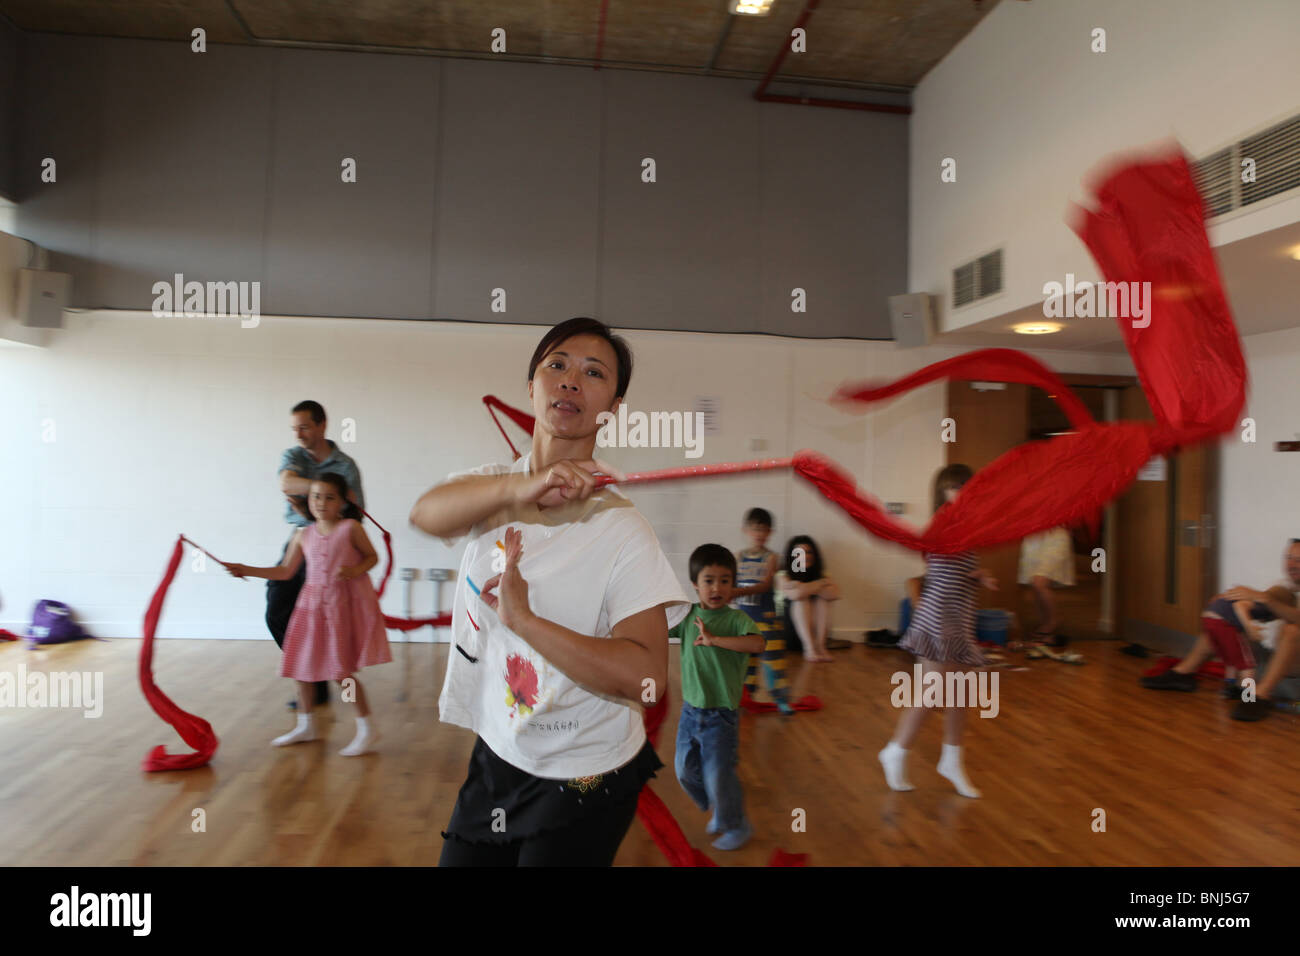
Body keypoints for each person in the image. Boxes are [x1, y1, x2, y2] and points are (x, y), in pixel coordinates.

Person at [409, 317, 690, 867]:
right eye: (556, 365)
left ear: (613, 407)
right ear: (531, 387)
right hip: (500, 751)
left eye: (593, 373)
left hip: (585, 773)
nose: (569, 381)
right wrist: (522, 487)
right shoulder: (492, 486)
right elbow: (427, 514)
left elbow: (647, 677)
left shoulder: (622, 530)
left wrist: (526, 621)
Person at [225, 473, 391, 756]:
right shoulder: (303, 534)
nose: (321, 503)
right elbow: (286, 571)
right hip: (309, 608)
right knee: (301, 667)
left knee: (341, 672)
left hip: (339, 609)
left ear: (343, 501)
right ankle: (306, 724)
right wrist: (247, 569)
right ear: (308, 500)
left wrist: (353, 571)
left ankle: (367, 727)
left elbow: (372, 557)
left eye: (329, 497)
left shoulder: (350, 528)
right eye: (316, 496)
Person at [879, 464, 997, 799]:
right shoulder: (942, 527)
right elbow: (936, 564)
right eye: (955, 488)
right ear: (943, 493)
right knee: (933, 693)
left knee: (960, 694)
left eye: (967, 488)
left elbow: (961, 569)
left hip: (959, 617)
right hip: (938, 617)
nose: (962, 494)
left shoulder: (965, 528)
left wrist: (981, 576)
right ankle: (895, 751)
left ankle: (952, 760)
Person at [269, 400, 366, 708]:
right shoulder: (293, 456)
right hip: (301, 540)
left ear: (322, 425)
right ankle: (312, 676)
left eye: (305, 427)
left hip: (334, 547)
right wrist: (326, 491)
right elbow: (285, 482)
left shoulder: (345, 465)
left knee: (330, 623)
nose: (298, 434)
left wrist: (308, 497)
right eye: (294, 428)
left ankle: (329, 686)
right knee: (277, 611)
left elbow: (353, 511)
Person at [1144, 539, 1300, 721]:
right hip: (1269, 665)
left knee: (1293, 630)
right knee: (1223, 618)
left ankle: (1260, 697)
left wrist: (1266, 600)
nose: (1291, 564)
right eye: (1288, 557)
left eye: (1298, 559)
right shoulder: (1286, 587)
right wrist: (1230, 602)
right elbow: (1269, 598)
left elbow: (1289, 613)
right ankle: (1184, 673)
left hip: (1294, 680)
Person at [673, 544, 765, 850]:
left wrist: (715, 640)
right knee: (684, 771)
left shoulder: (737, 621)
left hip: (720, 717)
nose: (717, 587)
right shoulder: (687, 616)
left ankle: (736, 823)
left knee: (718, 775)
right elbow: (655, 627)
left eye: (725, 580)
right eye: (709, 580)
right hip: (690, 712)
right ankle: (719, 807)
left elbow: (757, 645)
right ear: (696, 585)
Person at [732, 508, 793, 716]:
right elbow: (730, 581)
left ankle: (781, 698)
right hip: (743, 621)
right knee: (745, 663)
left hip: (766, 621)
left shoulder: (772, 558)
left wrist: (735, 592)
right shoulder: (738, 556)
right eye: (755, 529)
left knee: (773, 661)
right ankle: (747, 698)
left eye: (764, 530)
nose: (759, 534)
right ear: (745, 530)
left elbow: (765, 585)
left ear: (770, 532)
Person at [779, 534, 840, 662]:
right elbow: (795, 595)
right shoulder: (783, 575)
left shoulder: (822, 575)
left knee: (823, 599)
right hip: (791, 635)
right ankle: (809, 649)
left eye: (808, 552)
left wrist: (802, 586)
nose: (805, 556)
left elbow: (834, 594)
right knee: (802, 600)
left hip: (816, 634)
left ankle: (820, 647)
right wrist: (820, 585)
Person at [1018, 526, 1075, 646]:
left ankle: (1053, 621)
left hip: (1055, 536)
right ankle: (1044, 624)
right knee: (1034, 583)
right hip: (1033, 538)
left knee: (1039, 581)